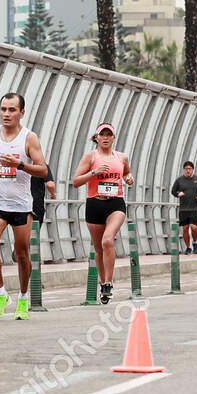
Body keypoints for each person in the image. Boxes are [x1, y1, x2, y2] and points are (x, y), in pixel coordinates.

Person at [0, 91, 50, 320]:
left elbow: (43, 170)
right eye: (3, 109)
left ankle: (23, 297)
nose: (6, 114)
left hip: (20, 205)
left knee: (21, 254)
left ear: (21, 113)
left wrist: (19, 165)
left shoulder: (29, 138)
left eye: (11, 110)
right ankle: (1, 294)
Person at [71, 123, 134, 305]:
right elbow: (76, 181)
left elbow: (127, 174)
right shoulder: (91, 157)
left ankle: (109, 282)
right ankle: (103, 282)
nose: (105, 138)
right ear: (97, 138)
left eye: (109, 135)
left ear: (113, 138)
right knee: (98, 248)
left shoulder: (122, 157)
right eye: (102, 135)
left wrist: (128, 178)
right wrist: (94, 172)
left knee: (108, 240)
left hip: (115, 203)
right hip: (95, 203)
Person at [171, 161, 197, 254]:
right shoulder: (179, 180)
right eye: (186, 169)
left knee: (193, 227)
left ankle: (195, 243)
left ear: (192, 169)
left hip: (195, 208)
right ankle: (188, 247)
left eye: (189, 169)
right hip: (183, 208)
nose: (188, 171)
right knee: (185, 228)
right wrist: (178, 194)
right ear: (184, 170)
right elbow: (173, 191)